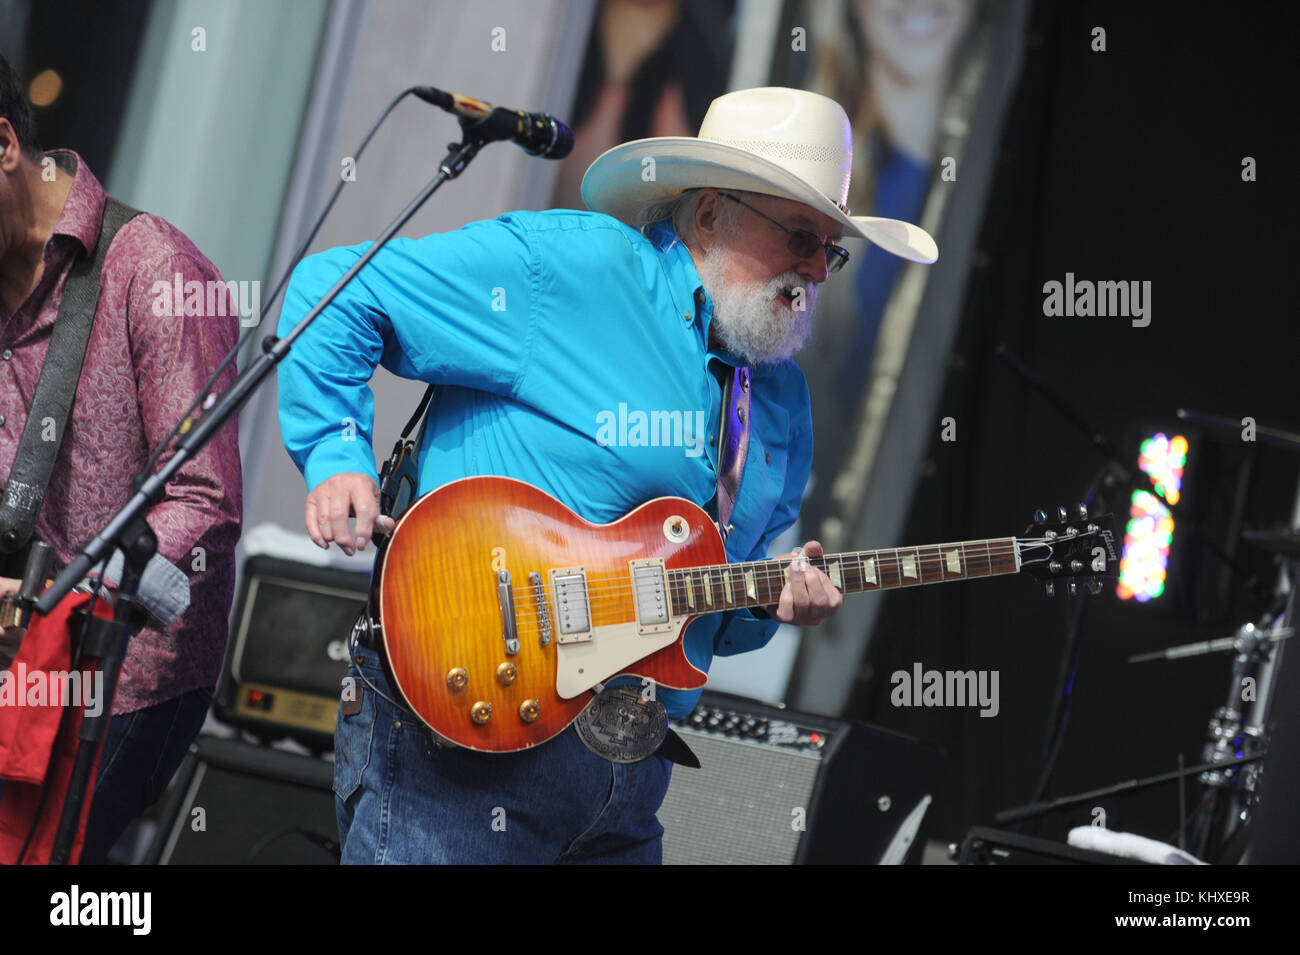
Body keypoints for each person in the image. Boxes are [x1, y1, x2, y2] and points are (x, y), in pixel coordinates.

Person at [277, 86, 936, 864]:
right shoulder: (574, 270)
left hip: (625, 782)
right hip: (462, 736)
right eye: (799, 235)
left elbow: (700, 618)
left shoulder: (782, 402)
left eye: (831, 248)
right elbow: (339, 290)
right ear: (708, 215)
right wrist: (336, 454)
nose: (815, 271)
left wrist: (774, 600)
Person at [0, 54, 242, 863]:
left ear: (3, 145)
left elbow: (204, 503)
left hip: (123, 676)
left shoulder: (157, 267)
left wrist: (50, 604)